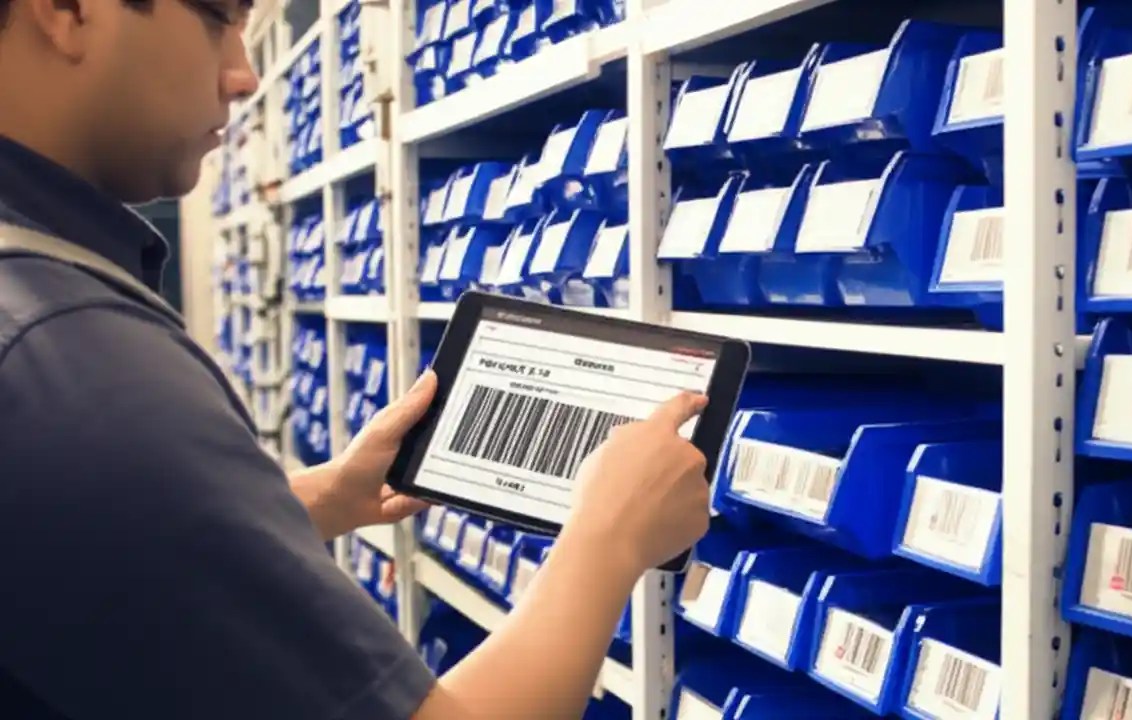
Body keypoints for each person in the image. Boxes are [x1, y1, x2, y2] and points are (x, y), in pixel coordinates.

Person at [0, 0, 713, 717]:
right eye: (218, 18)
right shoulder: (83, 368)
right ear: (65, 10)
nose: (245, 76)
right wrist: (608, 539)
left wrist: (318, 499)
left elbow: (88, 551)